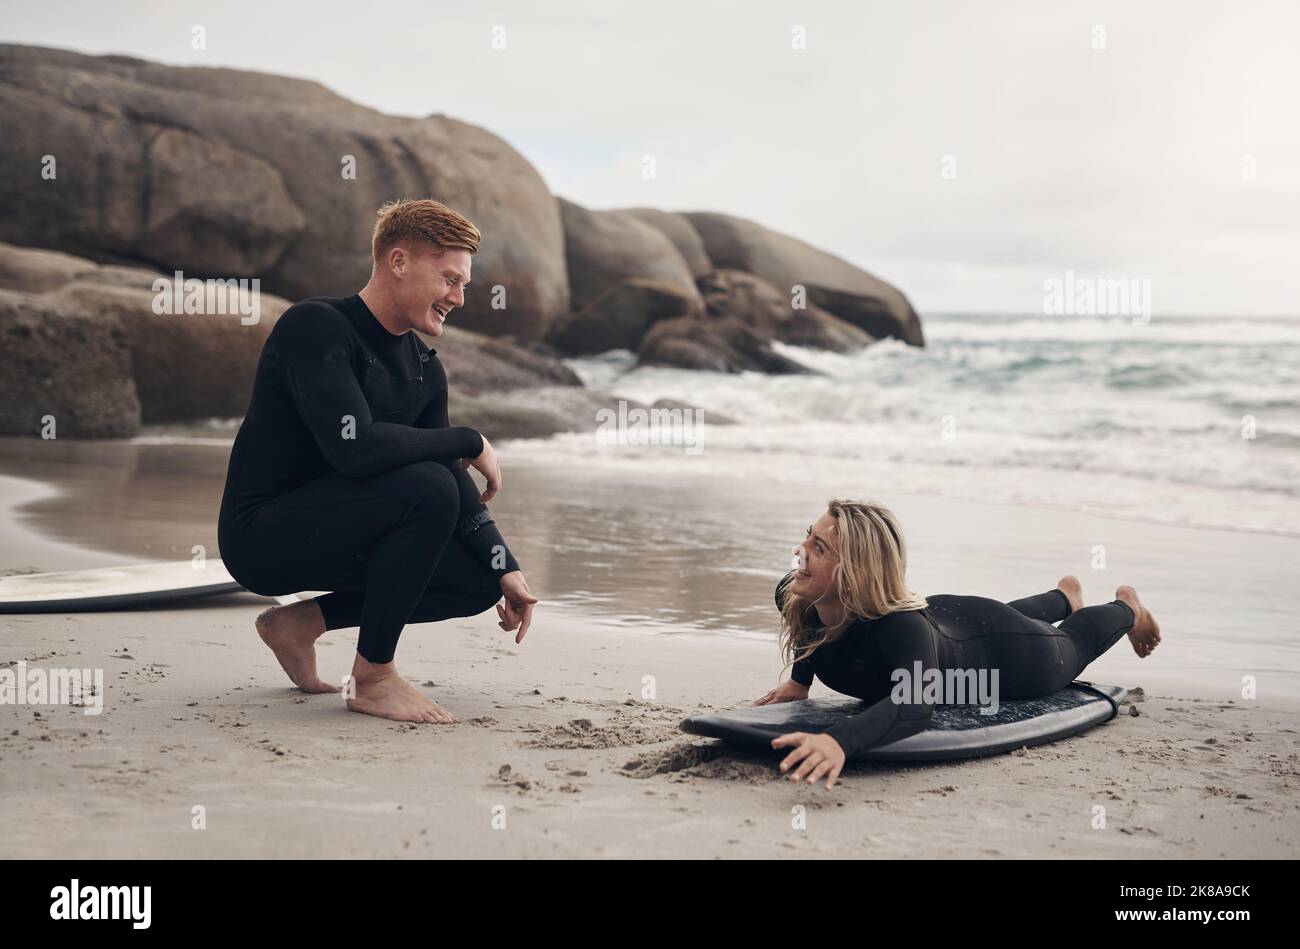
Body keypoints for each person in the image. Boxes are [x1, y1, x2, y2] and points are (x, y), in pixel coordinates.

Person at [218, 198, 537, 724]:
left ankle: (300, 623)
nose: (458, 298)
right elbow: (355, 447)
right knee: (427, 487)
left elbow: (453, 483)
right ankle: (375, 678)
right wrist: (470, 439)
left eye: (465, 286)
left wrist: (506, 564)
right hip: (262, 538)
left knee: (477, 576)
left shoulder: (424, 370)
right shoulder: (315, 327)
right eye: (450, 279)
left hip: (343, 534)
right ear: (398, 261)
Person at [752, 499, 1161, 789]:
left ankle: (1126, 608)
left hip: (1003, 654)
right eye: (808, 537)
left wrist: (840, 740)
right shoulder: (799, 595)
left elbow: (913, 705)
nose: (800, 553)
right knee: (1001, 617)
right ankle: (1063, 599)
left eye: (818, 548)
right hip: (953, 621)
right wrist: (799, 683)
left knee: (1066, 646)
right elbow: (811, 634)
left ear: (857, 573)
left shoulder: (898, 628)